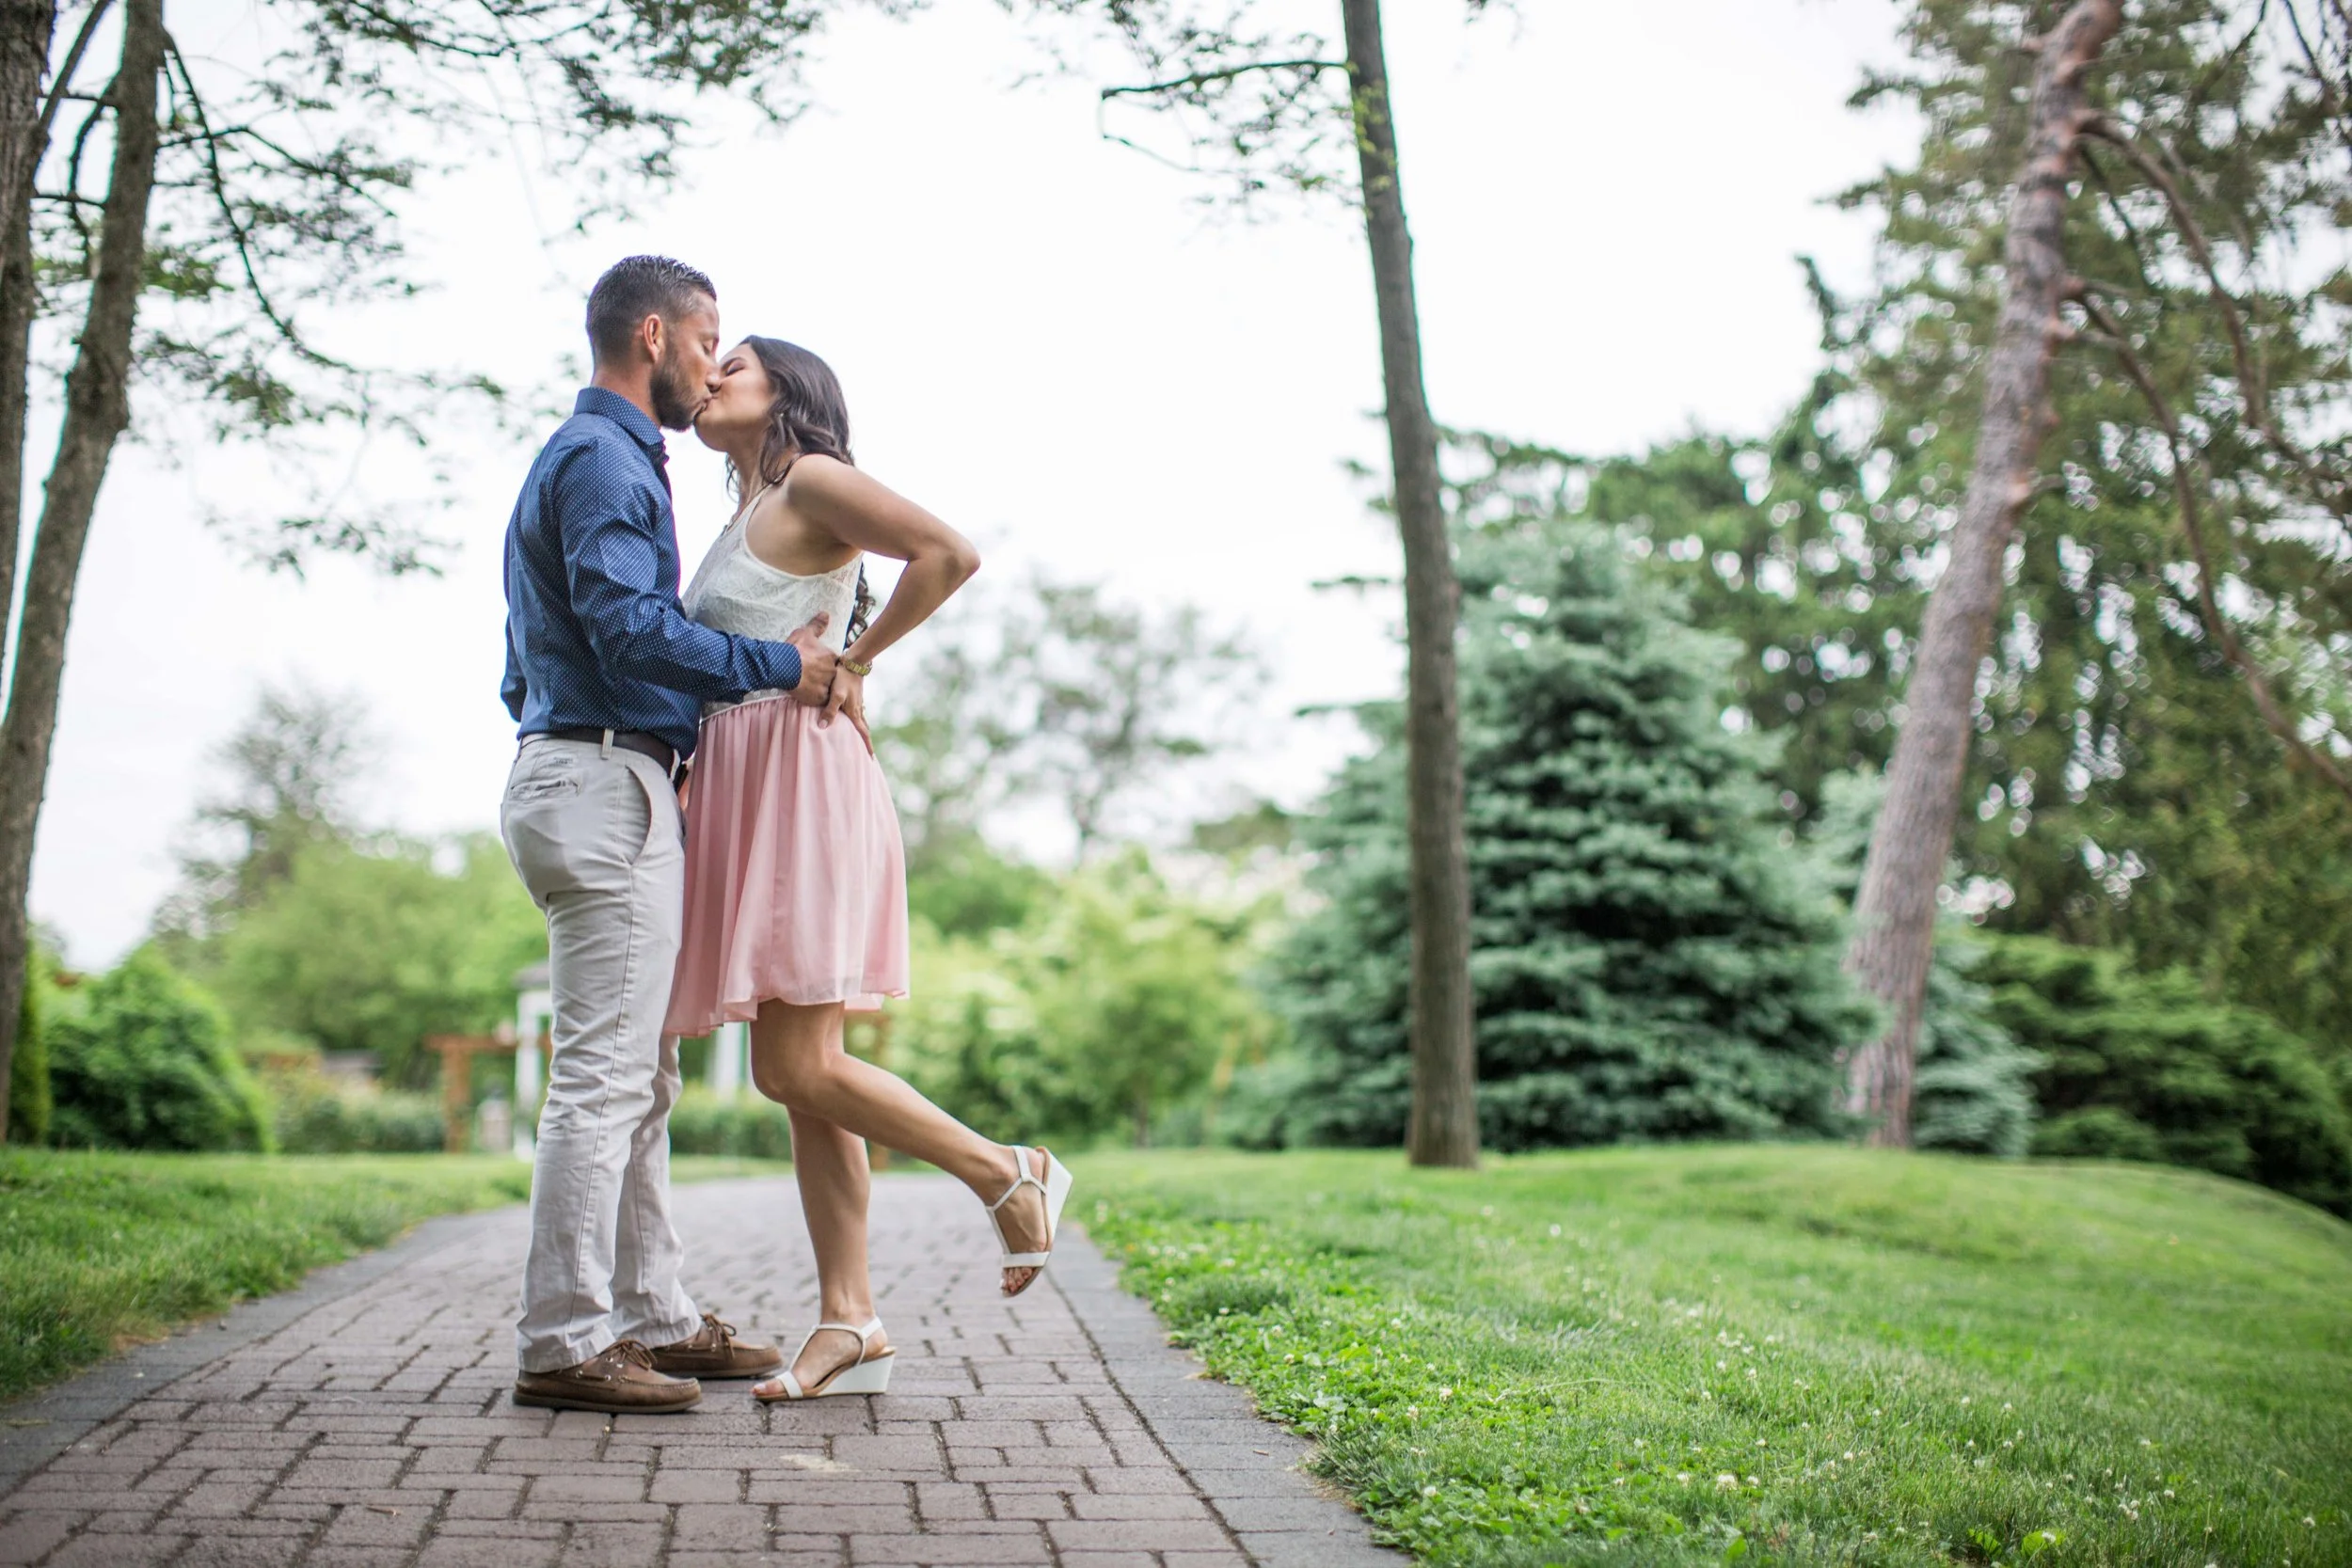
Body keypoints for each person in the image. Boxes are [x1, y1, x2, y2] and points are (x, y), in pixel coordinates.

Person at [664, 336, 1073, 1402]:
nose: (713, 375)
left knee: (793, 1067)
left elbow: (947, 553)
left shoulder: (812, 476)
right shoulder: (746, 511)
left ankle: (1007, 1169)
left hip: (797, 781)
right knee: (810, 1080)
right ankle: (850, 1320)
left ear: (788, 390)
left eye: (736, 361)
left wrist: (860, 657)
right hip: (753, 781)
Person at [498, 256, 832, 1416]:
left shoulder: (590, 456)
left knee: (640, 1074)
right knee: (605, 1076)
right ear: (654, 335)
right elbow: (631, 629)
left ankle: (657, 1318)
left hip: (582, 770)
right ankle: (562, 1340)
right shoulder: (603, 458)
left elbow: (527, 660)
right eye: (705, 340)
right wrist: (781, 664)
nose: (710, 364)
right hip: (603, 780)